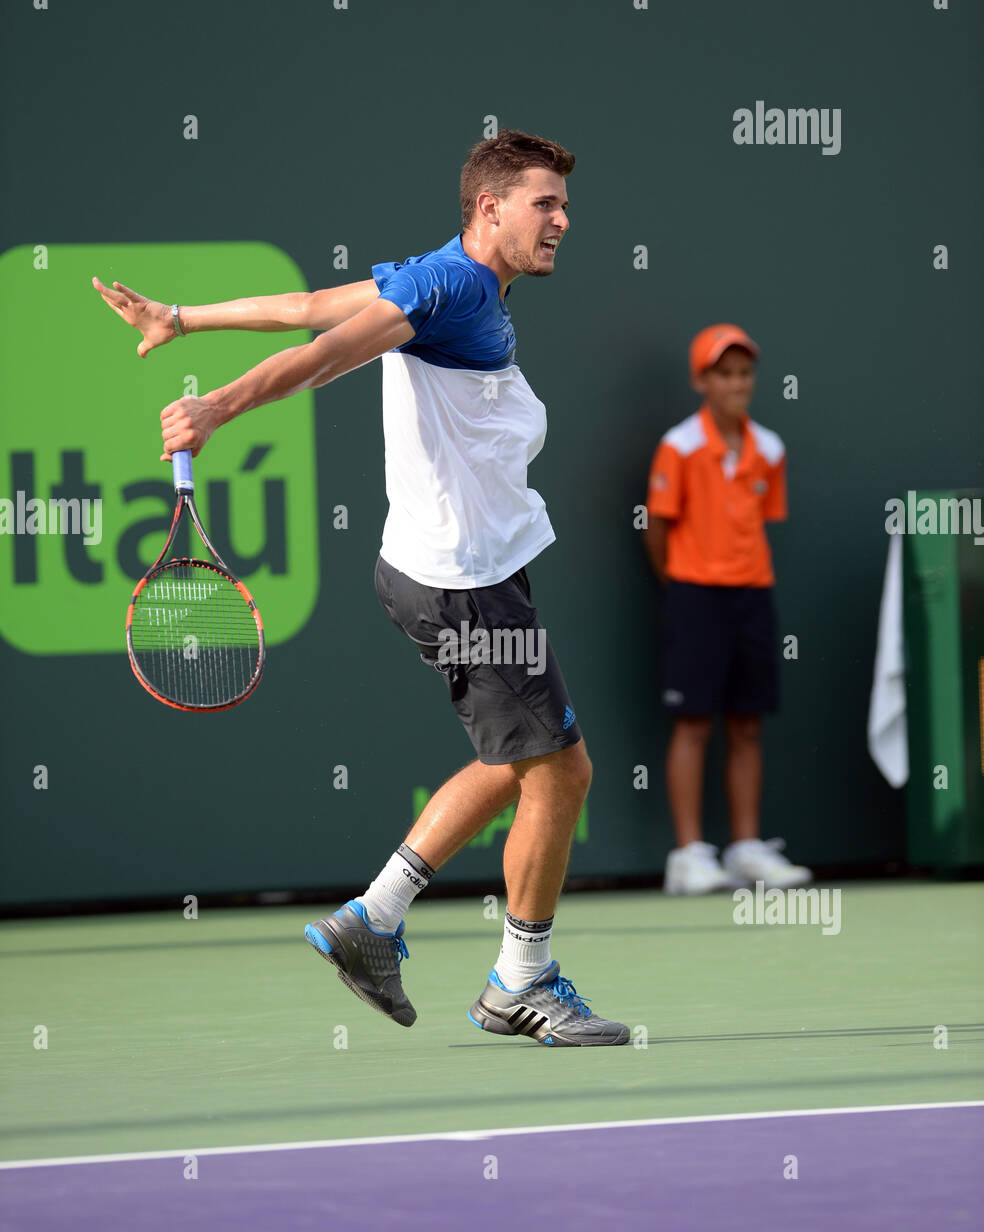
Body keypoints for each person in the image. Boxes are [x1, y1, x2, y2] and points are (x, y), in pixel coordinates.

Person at [93, 129, 628, 1047]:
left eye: (564, 206)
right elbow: (326, 351)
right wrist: (218, 406)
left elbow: (304, 303)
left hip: (448, 568)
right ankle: (519, 983)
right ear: (489, 208)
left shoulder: (449, 278)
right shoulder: (448, 287)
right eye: (546, 205)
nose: (563, 221)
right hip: (465, 584)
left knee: (520, 761)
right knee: (562, 768)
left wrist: (180, 318)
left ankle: (374, 919)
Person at [644, 324, 812, 895]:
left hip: (753, 595)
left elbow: (759, 525)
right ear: (702, 380)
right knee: (692, 723)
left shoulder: (770, 448)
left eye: (744, 374)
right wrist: (684, 584)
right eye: (725, 373)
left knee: (746, 723)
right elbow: (659, 526)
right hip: (694, 597)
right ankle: (689, 855)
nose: (737, 384)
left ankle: (745, 849)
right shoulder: (680, 445)